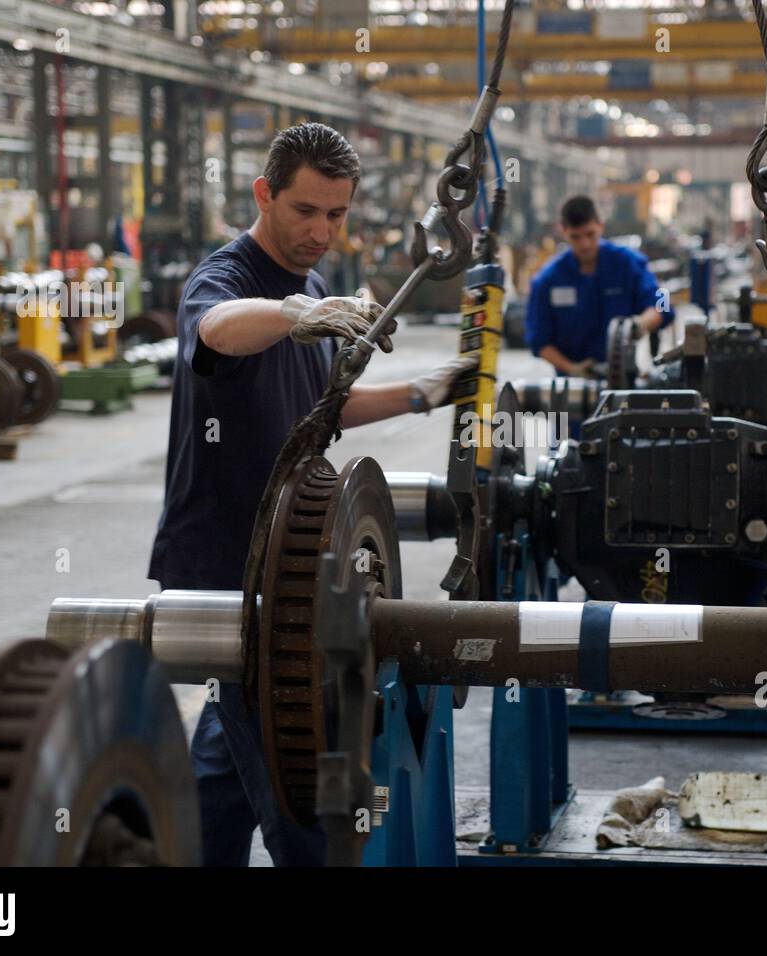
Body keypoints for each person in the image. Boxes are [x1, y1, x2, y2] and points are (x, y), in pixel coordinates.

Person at [147, 122, 474, 867]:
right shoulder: (227, 277)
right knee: (297, 778)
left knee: (230, 753)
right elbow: (218, 330)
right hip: (230, 565)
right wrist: (293, 314)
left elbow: (324, 409)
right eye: (305, 211)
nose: (322, 231)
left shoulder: (319, 285)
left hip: (294, 561)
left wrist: (425, 393)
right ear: (264, 194)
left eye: (337, 214)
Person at [524, 195, 673, 376]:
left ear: (601, 226)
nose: (584, 244)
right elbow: (538, 340)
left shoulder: (627, 263)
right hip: (573, 386)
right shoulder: (548, 280)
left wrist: (640, 324)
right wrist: (572, 369)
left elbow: (663, 302)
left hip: (624, 380)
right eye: (576, 237)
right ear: (562, 231)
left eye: (590, 234)